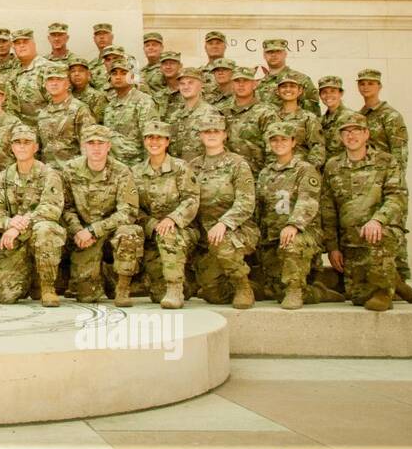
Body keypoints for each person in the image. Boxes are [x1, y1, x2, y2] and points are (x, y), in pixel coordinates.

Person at [321, 114, 407, 312]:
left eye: (356, 130)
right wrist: (333, 247)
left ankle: (385, 291)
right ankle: (394, 280)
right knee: (357, 297)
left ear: (366, 134)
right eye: (346, 132)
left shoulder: (386, 162)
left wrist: (378, 220)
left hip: (380, 235)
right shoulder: (333, 166)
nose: (351, 136)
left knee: (376, 295)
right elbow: (328, 210)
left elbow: (397, 197)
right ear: (341, 137)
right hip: (351, 241)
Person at [61, 125, 142, 304]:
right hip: (83, 235)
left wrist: (94, 230)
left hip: (110, 231)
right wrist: (78, 231)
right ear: (84, 146)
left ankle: (122, 288)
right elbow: (66, 208)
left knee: (129, 232)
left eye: (101, 143)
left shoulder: (121, 171)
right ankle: (102, 274)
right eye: (91, 143)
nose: (96, 148)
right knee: (86, 296)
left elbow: (128, 211)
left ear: (108, 146)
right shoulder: (70, 170)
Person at [0, 125, 67, 306]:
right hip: (17, 240)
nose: (22, 146)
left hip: (41, 235)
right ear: (11, 147)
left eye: (27, 142)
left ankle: (47, 288)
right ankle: (31, 279)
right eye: (17, 142)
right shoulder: (2, 178)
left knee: (44, 228)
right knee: (4, 294)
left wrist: (19, 226)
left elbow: (52, 208)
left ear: (36, 147)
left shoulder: (49, 174)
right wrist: (8, 222)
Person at [255, 123, 331, 309]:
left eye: (284, 139)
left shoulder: (304, 169)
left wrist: (293, 225)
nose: (279, 143)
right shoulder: (266, 172)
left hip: (301, 233)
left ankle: (295, 291)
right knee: (274, 291)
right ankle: (318, 291)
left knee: (292, 244)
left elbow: (308, 201)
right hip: (273, 236)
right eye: (274, 139)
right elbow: (260, 207)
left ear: (293, 142)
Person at [189, 114, 258, 308]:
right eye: (206, 131)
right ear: (200, 136)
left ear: (224, 135)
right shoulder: (193, 166)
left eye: (216, 131)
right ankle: (258, 287)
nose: (211, 135)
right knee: (211, 292)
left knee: (223, 243)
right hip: (205, 234)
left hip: (236, 230)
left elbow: (246, 201)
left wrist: (224, 223)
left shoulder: (237, 164)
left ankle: (243, 286)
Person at [356, 68, 412, 301]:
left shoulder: (391, 116)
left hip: (388, 182)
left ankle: (398, 280)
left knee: (392, 229)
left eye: (371, 84)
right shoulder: (360, 115)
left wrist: (393, 183)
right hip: (366, 181)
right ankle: (387, 279)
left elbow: (400, 154)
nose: (366, 87)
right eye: (362, 84)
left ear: (379, 86)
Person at [132, 120, 198, 308]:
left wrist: (172, 219)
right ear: (144, 141)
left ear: (167, 141)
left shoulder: (181, 168)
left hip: (181, 231)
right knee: (156, 294)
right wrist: (152, 223)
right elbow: (132, 206)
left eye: (159, 138)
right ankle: (182, 283)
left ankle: (175, 288)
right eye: (150, 138)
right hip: (150, 231)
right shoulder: (135, 172)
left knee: (168, 234)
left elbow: (192, 199)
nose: (154, 142)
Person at [100, 61, 159, 166]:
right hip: (114, 167)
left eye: (123, 73)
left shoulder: (143, 101)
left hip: (136, 166)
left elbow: (151, 139)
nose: (118, 77)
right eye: (114, 73)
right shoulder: (110, 105)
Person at [34, 65, 91, 168]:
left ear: (67, 83)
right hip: (48, 174)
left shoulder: (79, 109)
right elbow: (38, 149)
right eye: (50, 79)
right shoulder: (43, 113)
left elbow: (88, 145)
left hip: (72, 172)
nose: (54, 83)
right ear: (45, 84)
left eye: (59, 79)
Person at [169, 67, 221, 160]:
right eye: (182, 83)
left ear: (201, 85)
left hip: (201, 171)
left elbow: (216, 150)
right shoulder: (175, 115)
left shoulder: (210, 113)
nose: (186, 87)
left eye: (191, 83)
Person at [257, 38, 320, 115]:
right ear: (264, 55)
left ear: (285, 54)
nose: (273, 55)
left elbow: (313, 113)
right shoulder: (259, 84)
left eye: (278, 51)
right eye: (269, 52)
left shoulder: (301, 80)